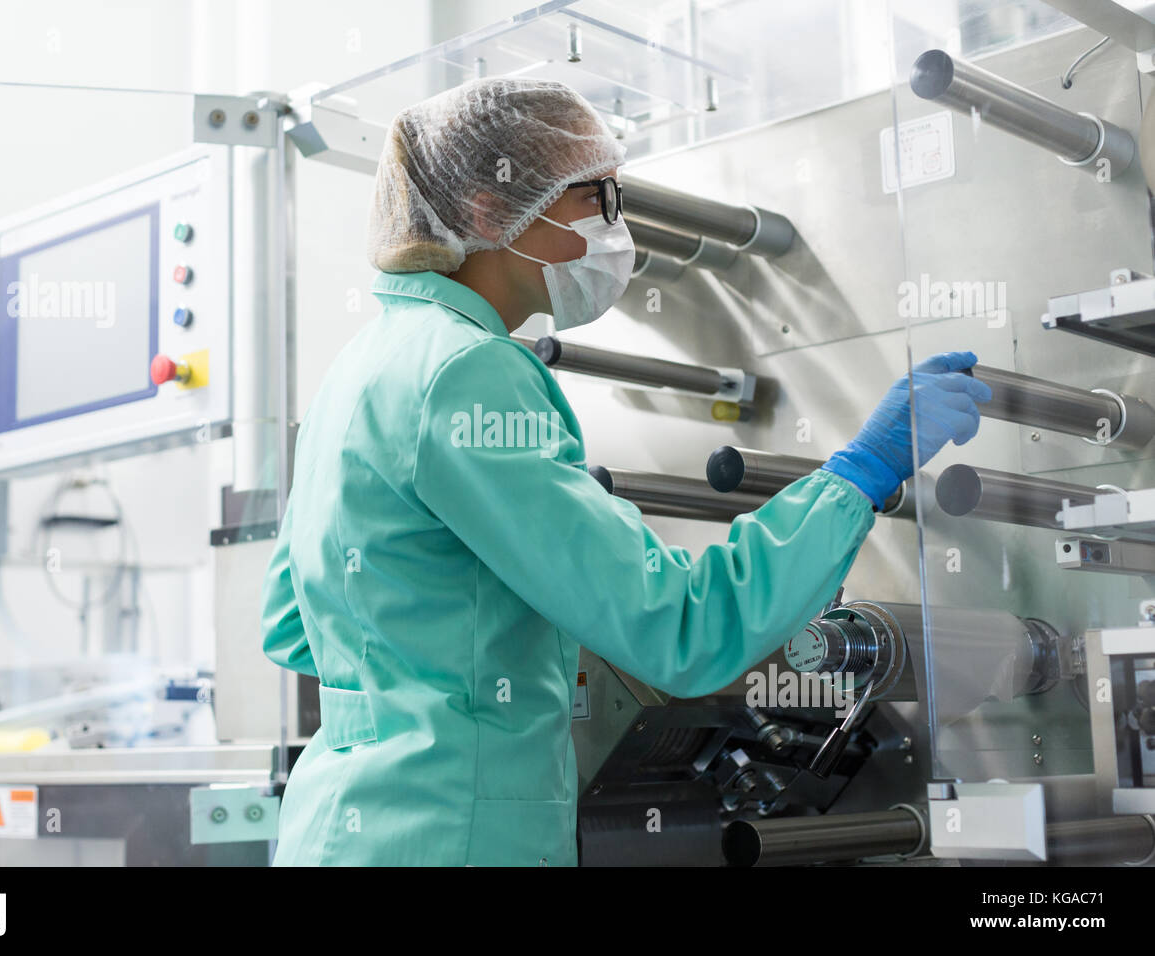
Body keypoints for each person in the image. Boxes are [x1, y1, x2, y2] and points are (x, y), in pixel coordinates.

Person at [261, 77, 991, 866]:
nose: (617, 227)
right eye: (596, 199)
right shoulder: (469, 374)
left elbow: (293, 624)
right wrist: (860, 474)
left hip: (345, 829)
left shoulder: (361, 369)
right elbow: (680, 632)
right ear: (484, 209)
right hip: (454, 839)